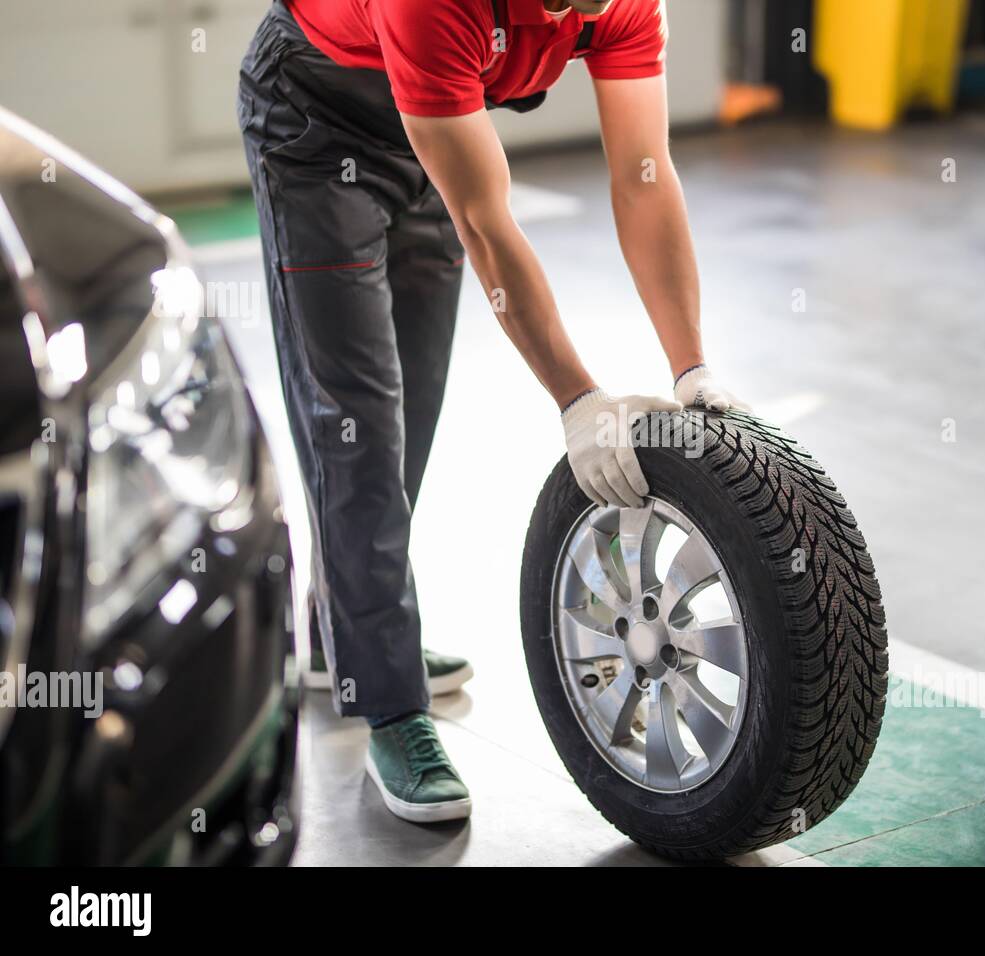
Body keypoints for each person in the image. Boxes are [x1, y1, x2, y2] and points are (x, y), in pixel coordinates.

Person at [237, 0, 745, 823]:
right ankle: (391, 704)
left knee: (413, 414)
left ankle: (345, 632)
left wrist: (693, 368)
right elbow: (484, 218)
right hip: (315, 125)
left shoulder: (621, 4)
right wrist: (578, 399)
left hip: (437, 120)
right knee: (358, 424)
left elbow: (642, 173)